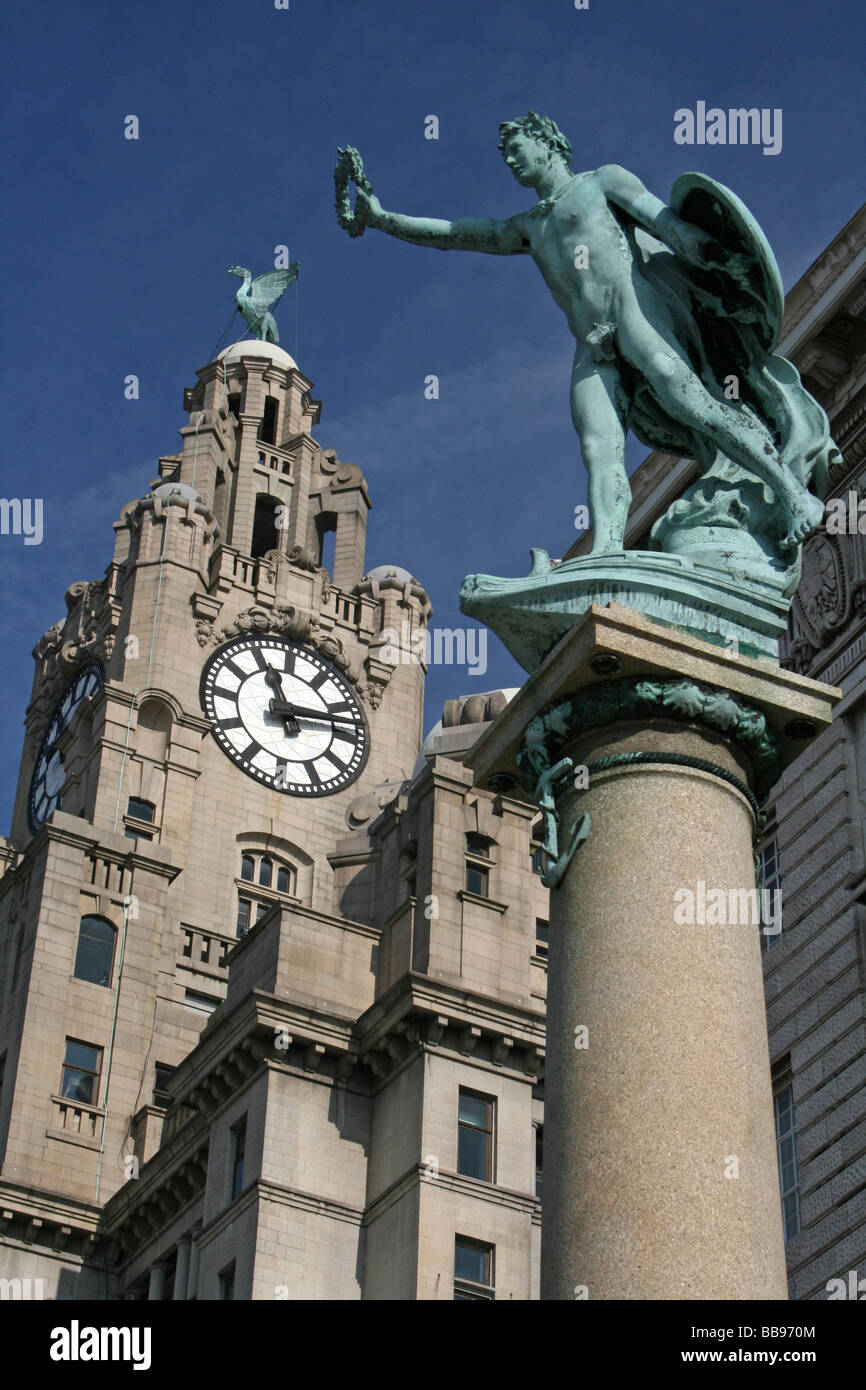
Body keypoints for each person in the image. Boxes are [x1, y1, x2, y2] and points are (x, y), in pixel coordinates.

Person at [351, 113, 823, 556]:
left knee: (698, 406)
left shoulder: (602, 180)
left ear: (548, 142)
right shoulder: (530, 225)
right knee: (598, 446)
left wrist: (722, 263)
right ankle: (606, 550)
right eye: (506, 157)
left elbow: (666, 225)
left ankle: (791, 493)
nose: (512, 162)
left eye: (518, 149)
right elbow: (457, 233)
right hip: (592, 343)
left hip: (634, 313)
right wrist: (384, 219)